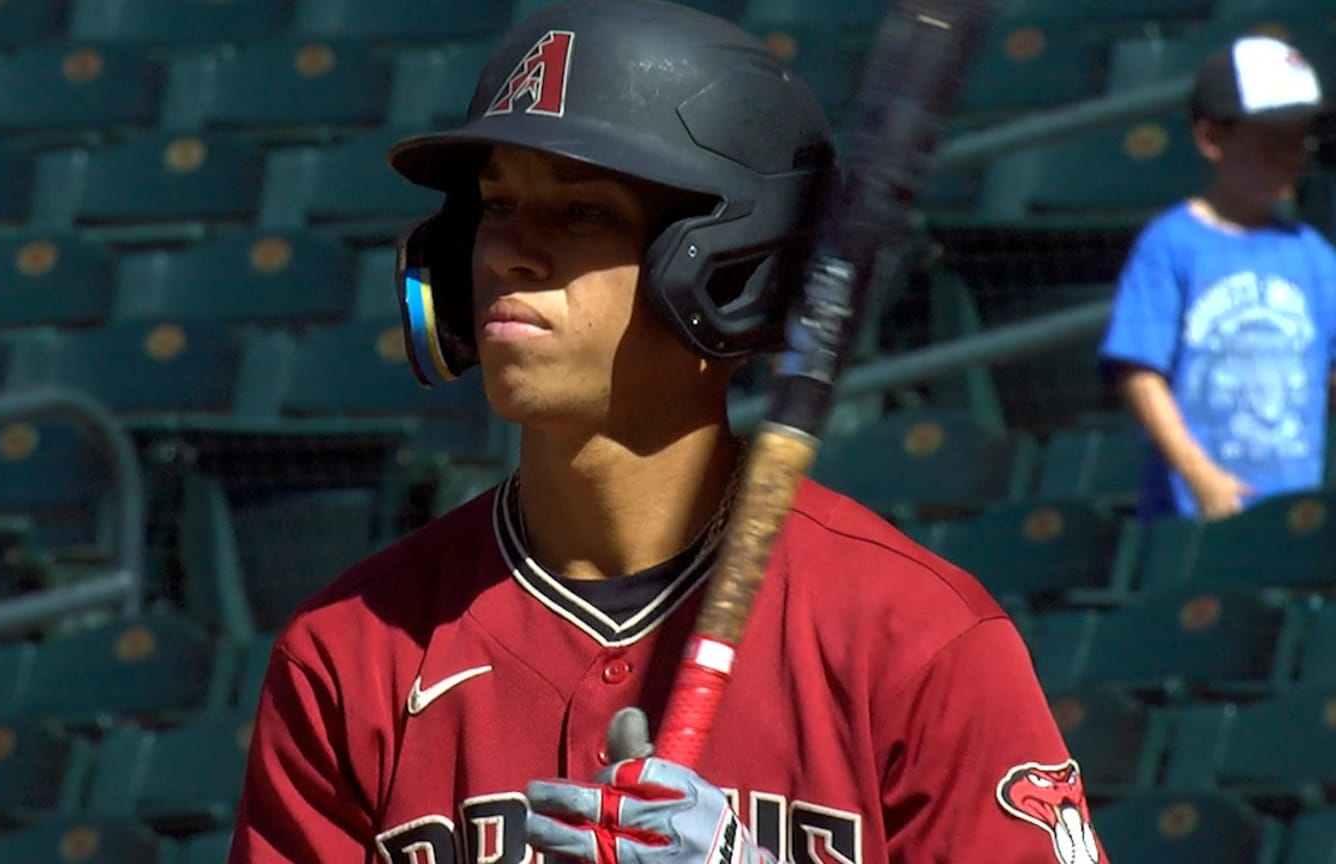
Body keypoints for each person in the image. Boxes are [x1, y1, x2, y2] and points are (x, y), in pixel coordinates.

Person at [229, 1, 1109, 862]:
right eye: (495, 206)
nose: (506, 253)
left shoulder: (914, 641)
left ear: (726, 271)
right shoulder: (349, 653)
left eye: (580, 213)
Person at [1099, 34, 1336, 522]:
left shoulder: (1313, 254)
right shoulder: (1172, 244)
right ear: (1212, 138)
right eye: (1274, 140)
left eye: (1300, 139)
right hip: (1194, 514)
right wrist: (1200, 475)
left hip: (1296, 513)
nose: (1292, 155)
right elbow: (1139, 371)